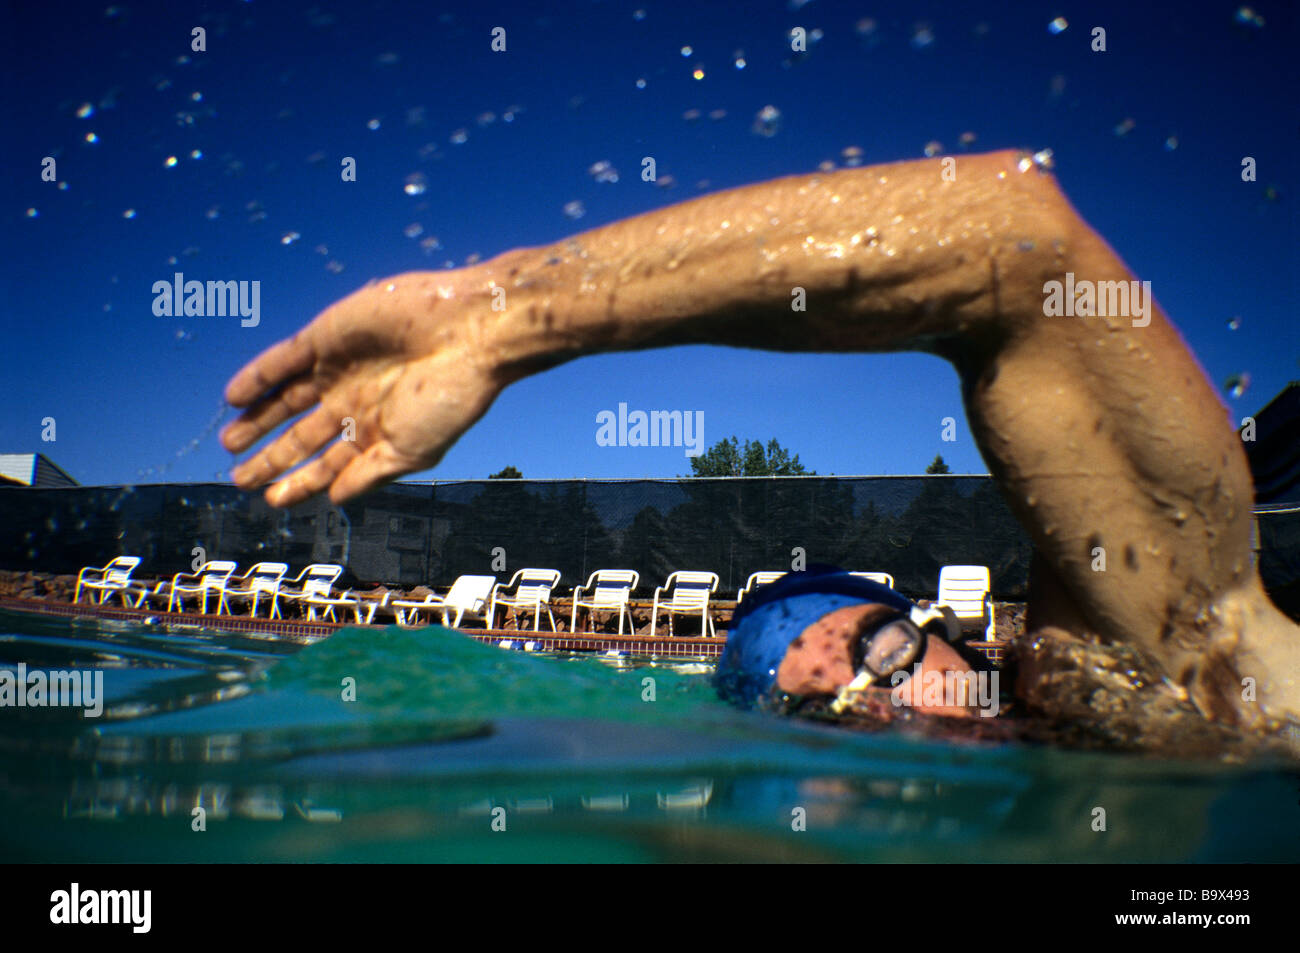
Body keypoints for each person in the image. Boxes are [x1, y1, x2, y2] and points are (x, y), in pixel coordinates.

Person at [220, 149, 1299, 733]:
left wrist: (500, 316)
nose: (880, 707)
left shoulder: (1163, 673)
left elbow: (1014, 246)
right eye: (822, 708)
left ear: (936, 633)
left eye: (877, 654)